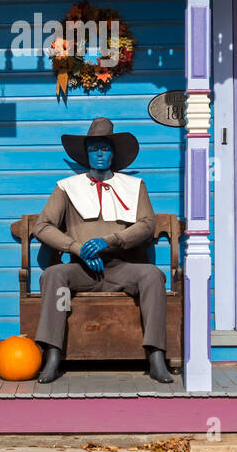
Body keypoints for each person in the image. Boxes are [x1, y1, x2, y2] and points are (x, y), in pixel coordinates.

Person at [31, 117, 173, 384]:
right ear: (86, 152)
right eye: (94, 148)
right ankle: (52, 354)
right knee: (53, 276)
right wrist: (78, 248)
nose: (99, 153)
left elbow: (147, 224)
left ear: (113, 153)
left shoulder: (134, 186)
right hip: (81, 270)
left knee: (153, 276)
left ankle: (156, 355)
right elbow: (42, 226)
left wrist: (110, 241)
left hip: (122, 269)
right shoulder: (66, 187)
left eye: (105, 148)